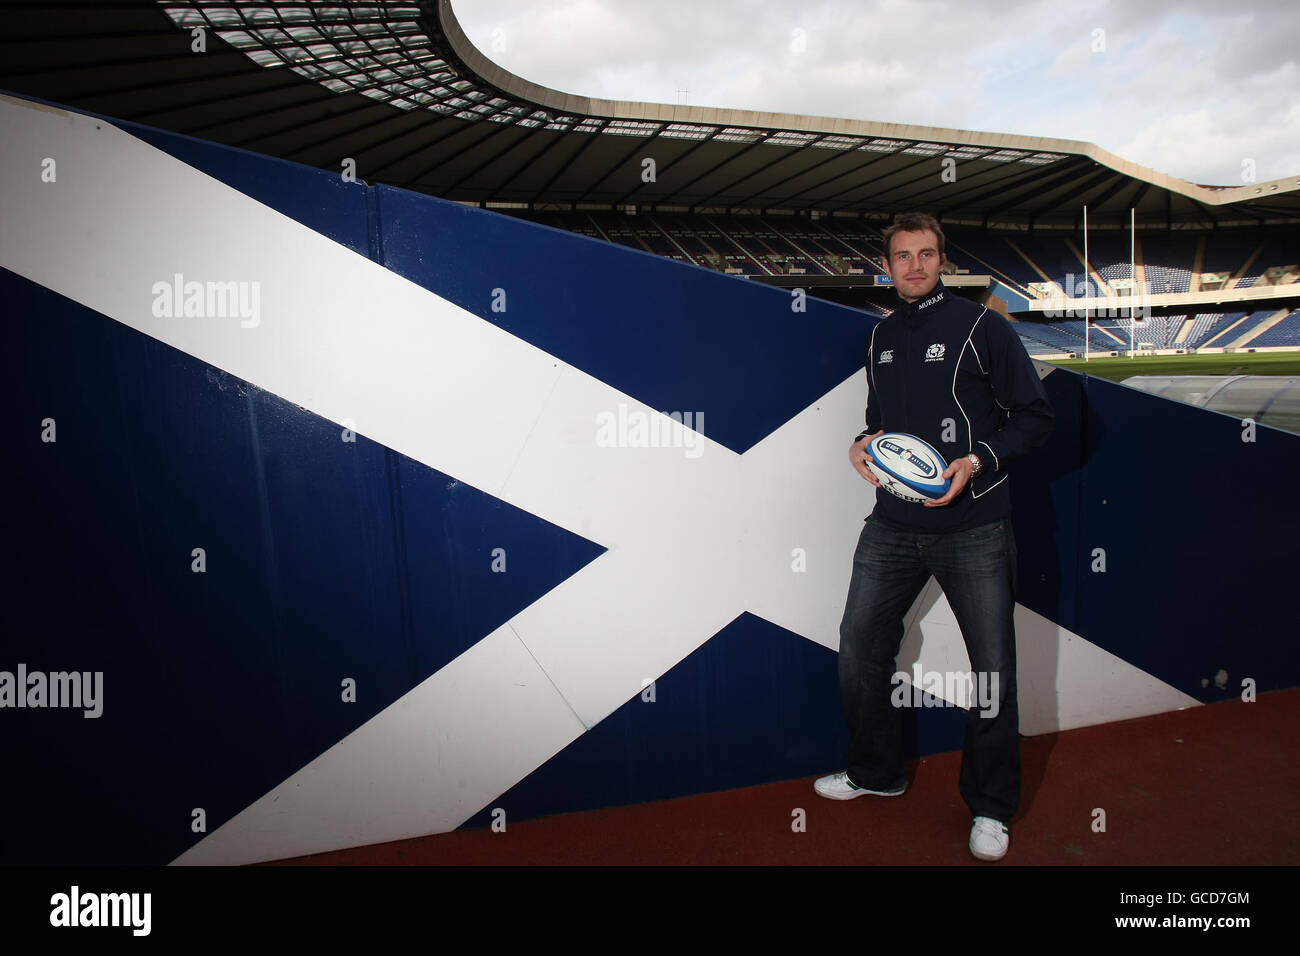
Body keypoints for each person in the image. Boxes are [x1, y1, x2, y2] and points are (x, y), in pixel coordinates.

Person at [815, 212, 1054, 862]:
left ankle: (990, 805)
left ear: (941, 260)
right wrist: (860, 446)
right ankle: (876, 772)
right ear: (887, 266)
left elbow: (1035, 417)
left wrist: (975, 461)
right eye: (901, 256)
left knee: (992, 668)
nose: (914, 266)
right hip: (893, 526)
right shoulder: (880, 338)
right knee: (859, 646)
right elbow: (877, 424)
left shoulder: (985, 329)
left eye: (925, 254)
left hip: (974, 524)